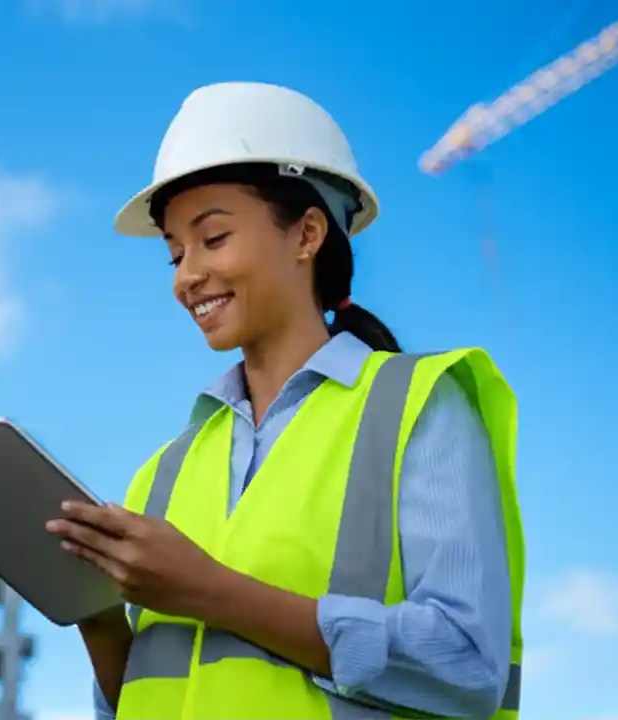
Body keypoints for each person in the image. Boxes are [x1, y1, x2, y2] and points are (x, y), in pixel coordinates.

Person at [45, 81, 525, 720]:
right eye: (175, 255)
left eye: (213, 239)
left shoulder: (416, 407)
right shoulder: (163, 474)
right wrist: (98, 621)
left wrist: (210, 591)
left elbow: (468, 665)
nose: (187, 275)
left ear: (307, 234)